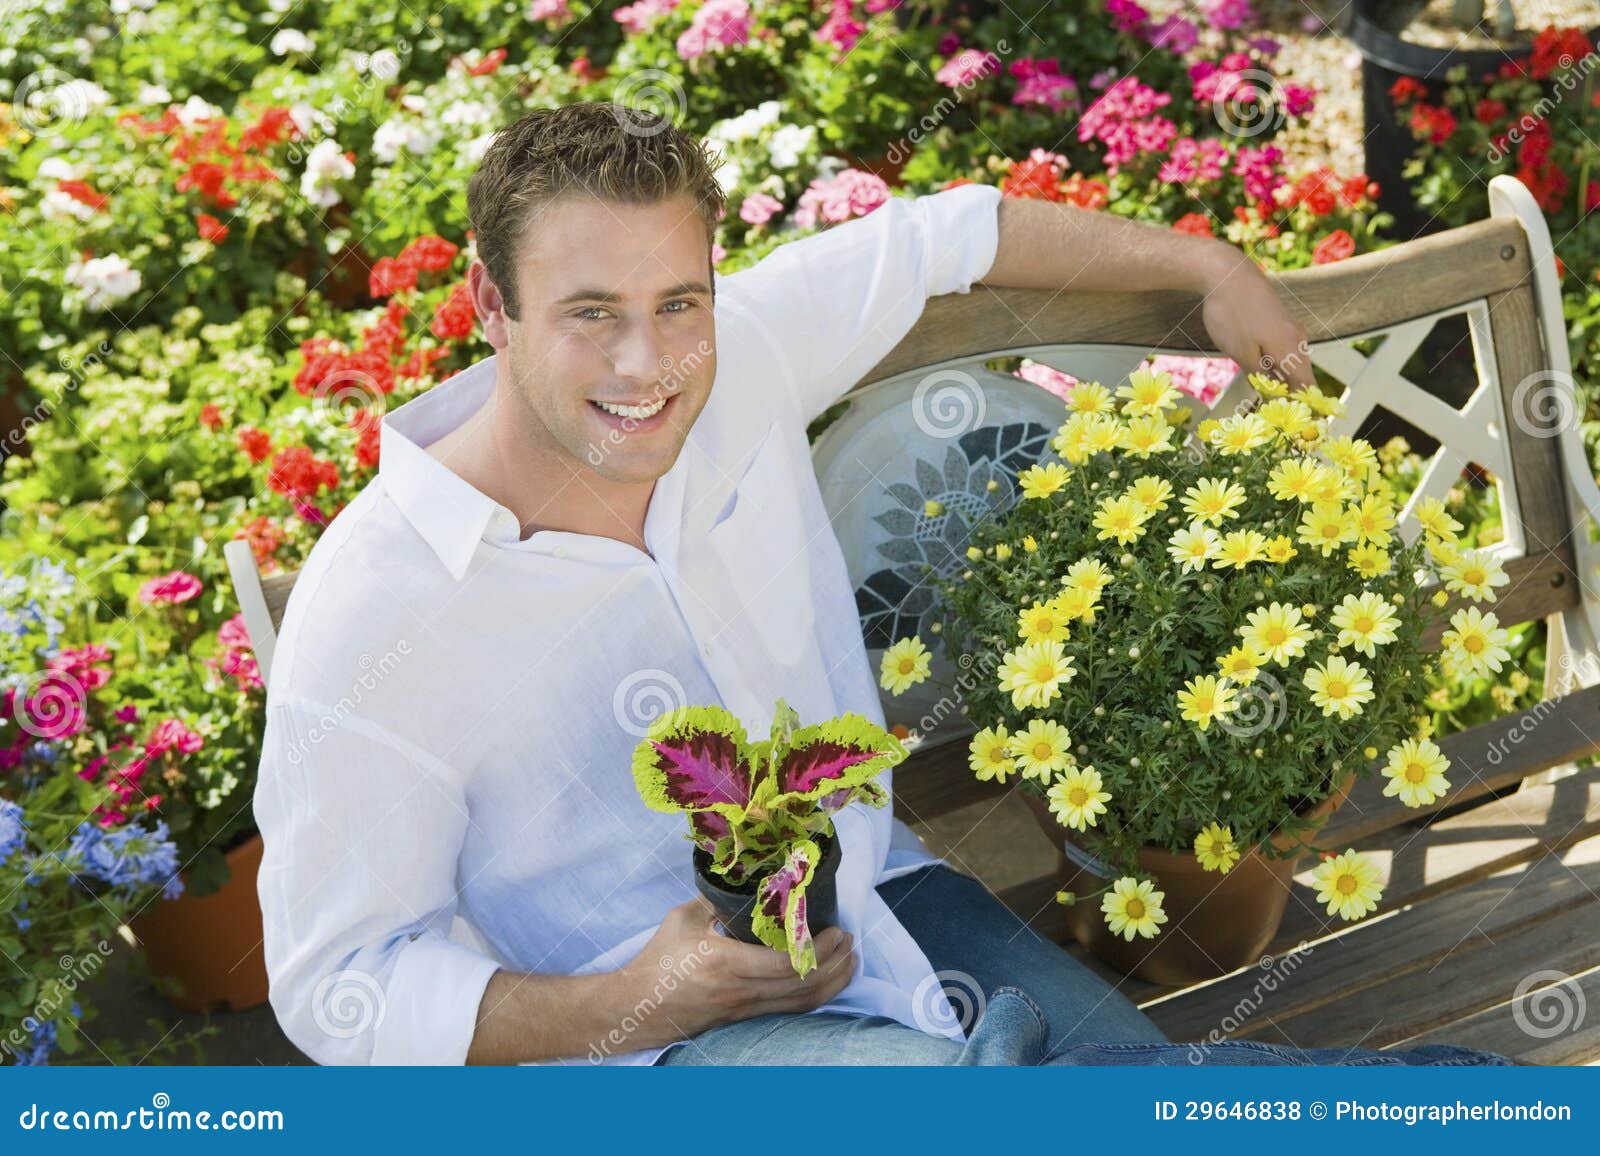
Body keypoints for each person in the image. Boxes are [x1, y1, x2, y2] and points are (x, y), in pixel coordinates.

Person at [253, 101, 1511, 1067]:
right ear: (490, 304)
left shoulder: (731, 359)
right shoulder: (380, 608)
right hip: (661, 1052)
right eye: (590, 313)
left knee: (1110, 1082)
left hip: (889, 900)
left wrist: (1202, 263)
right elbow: (337, 979)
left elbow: (943, 235)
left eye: (676, 300)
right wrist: (638, 994)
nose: (647, 365)